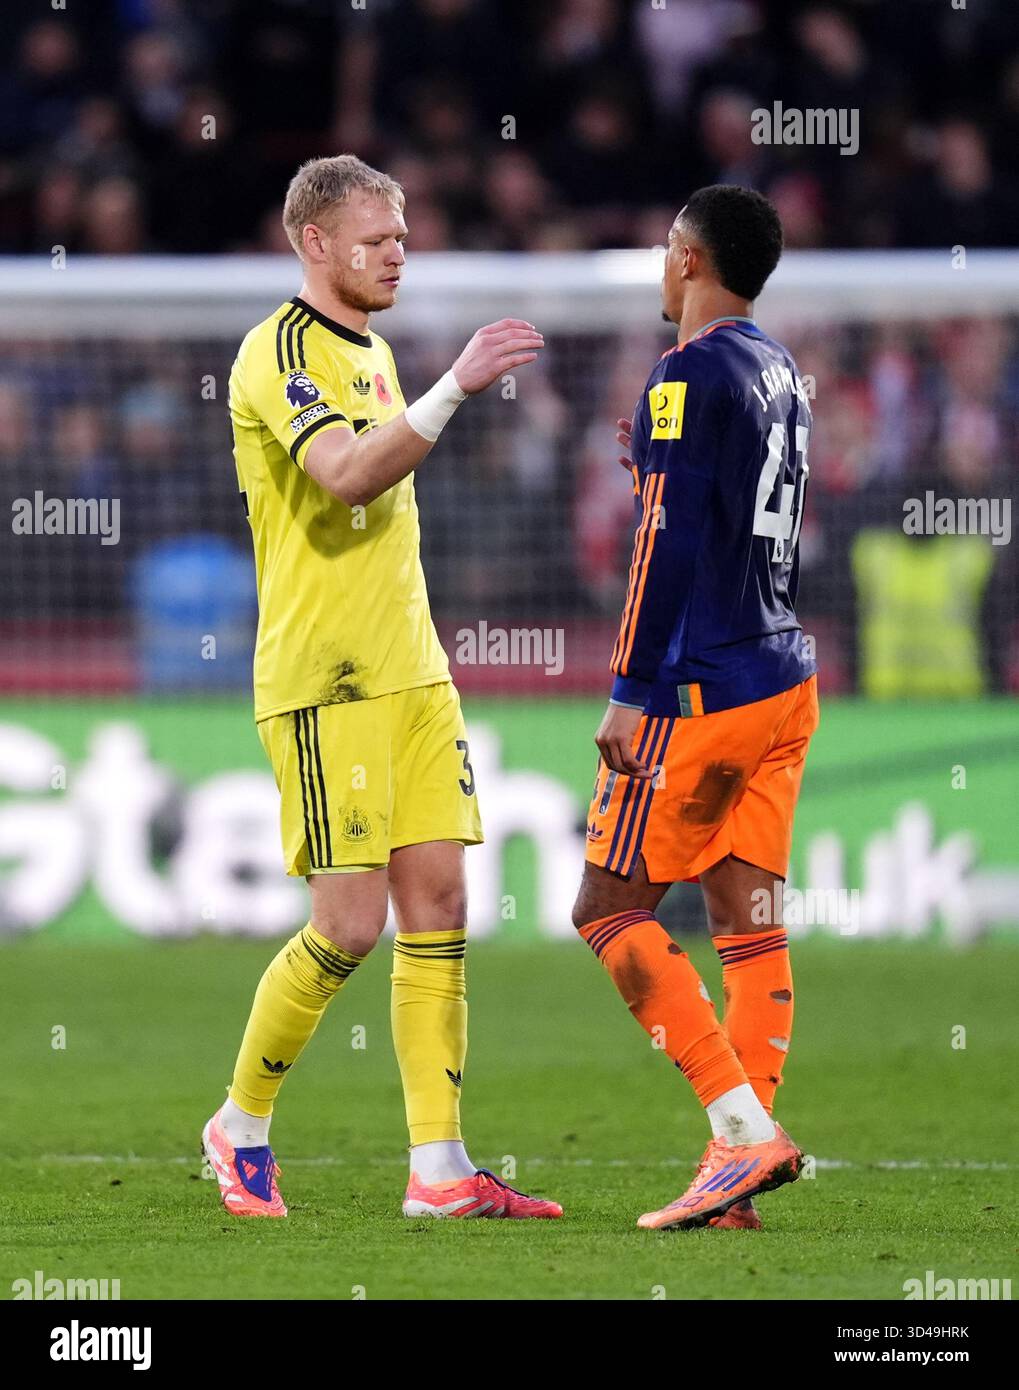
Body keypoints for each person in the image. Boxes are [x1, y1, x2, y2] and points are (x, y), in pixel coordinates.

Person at [204, 154, 560, 1221]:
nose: (397, 252)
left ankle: (439, 1169)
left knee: (441, 904)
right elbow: (348, 474)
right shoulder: (277, 353)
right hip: (327, 679)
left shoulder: (378, 352)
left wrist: (435, 384)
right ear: (314, 242)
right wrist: (458, 384)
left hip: (412, 671)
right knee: (349, 927)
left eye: (402, 236)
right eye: (376, 238)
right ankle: (241, 1123)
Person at [573, 184, 818, 1231]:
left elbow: (662, 540)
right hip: (783, 678)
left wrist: (630, 688)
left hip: (697, 691)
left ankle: (738, 1132)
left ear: (684, 257)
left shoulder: (682, 371)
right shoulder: (780, 370)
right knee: (748, 927)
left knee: (607, 907)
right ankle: (739, 1179)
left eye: (663, 246)